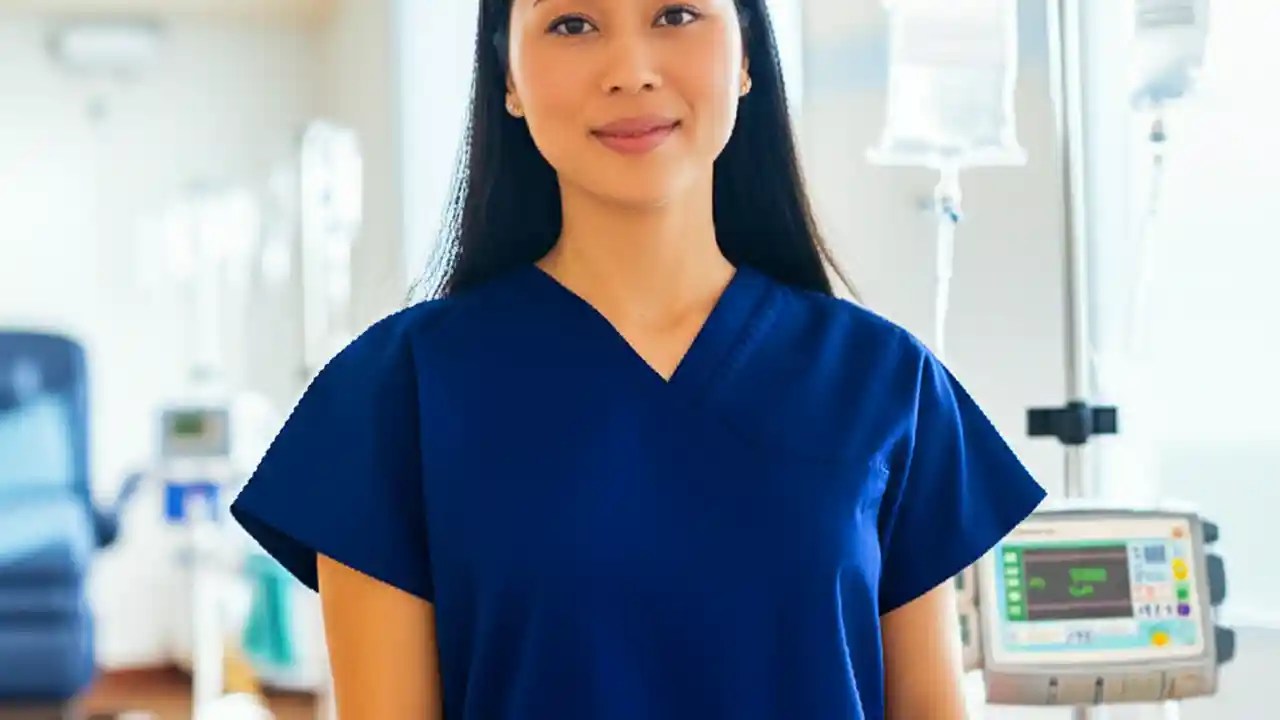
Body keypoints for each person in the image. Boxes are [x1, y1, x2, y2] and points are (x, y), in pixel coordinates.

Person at [230, 0, 1047, 717]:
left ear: (749, 57)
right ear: (508, 77)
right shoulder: (392, 395)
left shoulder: (882, 383)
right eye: (573, 24)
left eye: (677, 15)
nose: (630, 70)